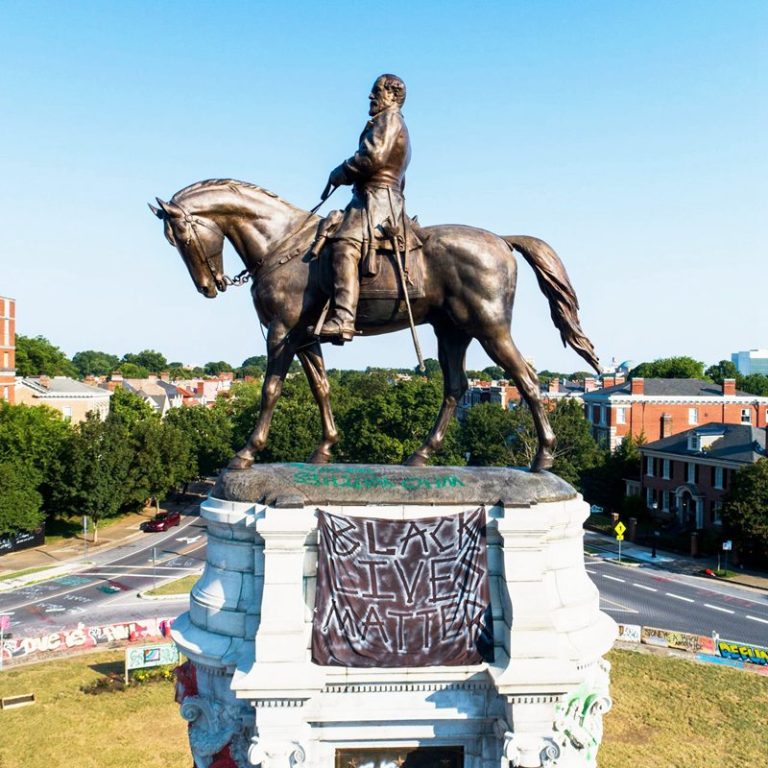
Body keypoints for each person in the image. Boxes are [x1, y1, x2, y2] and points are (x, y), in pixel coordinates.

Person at [316, 74, 412, 342]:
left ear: (392, 95)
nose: (370, 97)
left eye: (376, 92)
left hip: (377, 200)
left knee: (344, 244)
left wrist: (341, 171)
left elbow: (373, 156)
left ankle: (343, 318)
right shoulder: (390, 121)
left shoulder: (389, 119)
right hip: (376, 196)